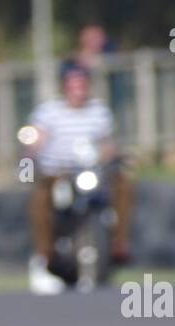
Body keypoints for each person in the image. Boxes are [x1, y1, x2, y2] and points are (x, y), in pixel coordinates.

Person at [24, 62, 133, 285]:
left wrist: (113, 155)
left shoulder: (98, 111)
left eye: (82, 83)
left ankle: (119, 242)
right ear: (65, 86)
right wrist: (31, 150)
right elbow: (37, 138)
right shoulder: (49, 111)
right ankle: (44, 251)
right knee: (40, 197)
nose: (78, 88)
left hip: (89, 171)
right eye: (73, 84)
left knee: (123, 183)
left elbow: (106, 144)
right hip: (58, 172)